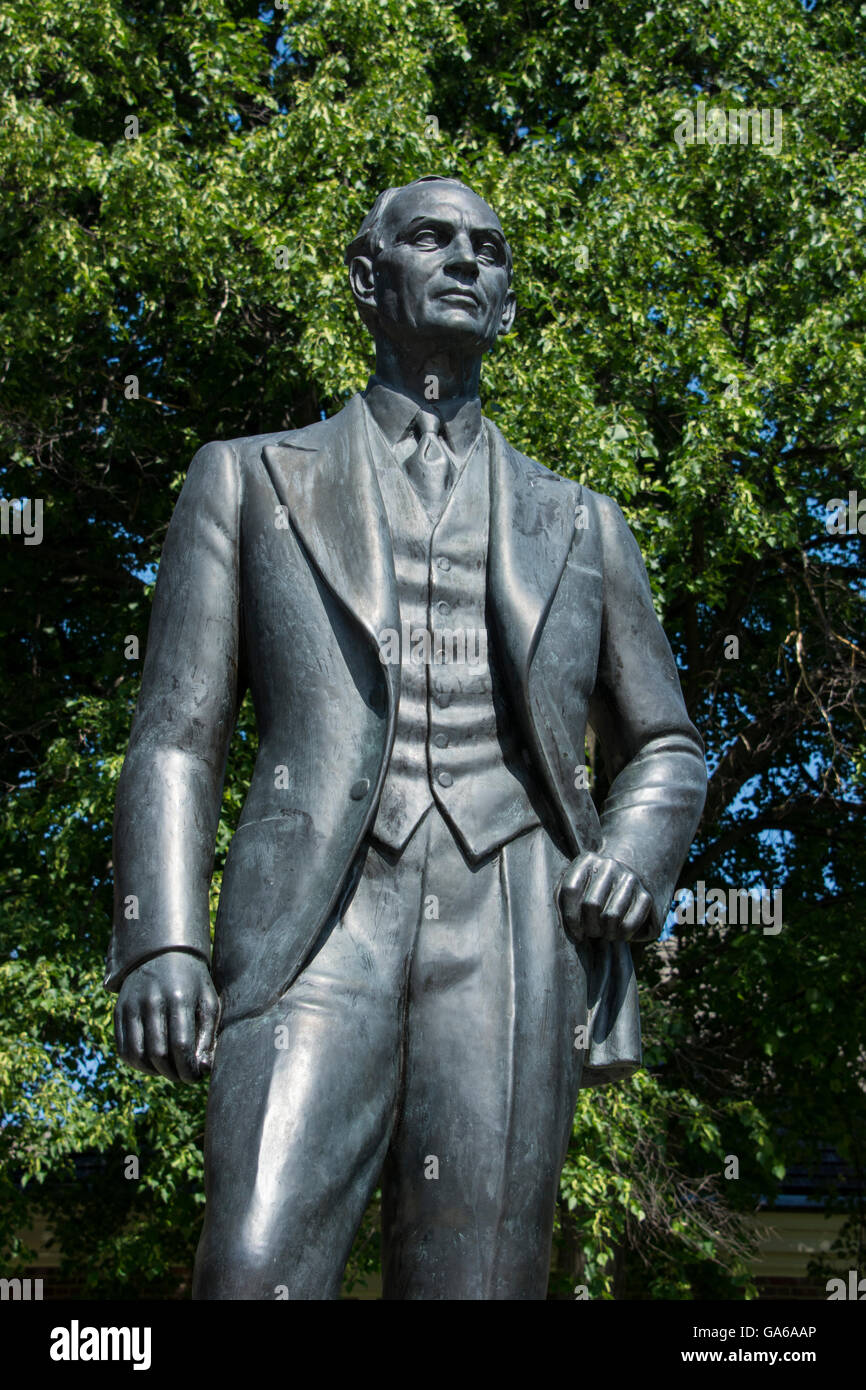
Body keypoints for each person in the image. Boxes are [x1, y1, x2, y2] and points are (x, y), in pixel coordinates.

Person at [106, 175, 707, 1299]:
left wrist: (632, 854)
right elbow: (177, 735)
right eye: (430, 238)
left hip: (513, 915)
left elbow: (666, 744)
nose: (464, 259)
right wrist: (161, 940)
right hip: (315, 919)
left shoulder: (580, 521)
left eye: (487, 247)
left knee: (478, 1278)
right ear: (365, 277)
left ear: (508, 304)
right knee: (251, 1264)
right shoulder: (244, 479)